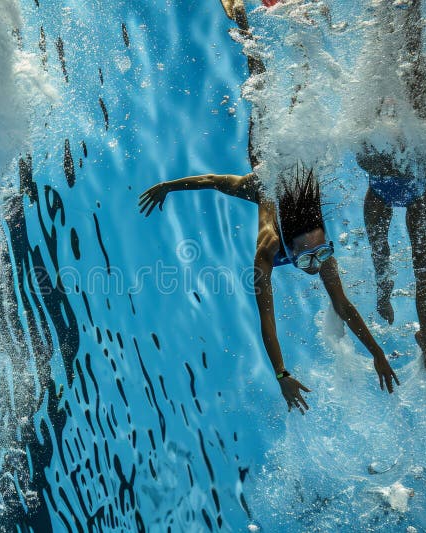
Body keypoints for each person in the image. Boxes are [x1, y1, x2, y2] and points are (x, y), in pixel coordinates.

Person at [139, 0, 399, 415]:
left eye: (317, 253)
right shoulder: (291, 243)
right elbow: (209, 181)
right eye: (316, 254)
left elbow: (326, 309)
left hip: (271, 155)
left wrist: (375, 352)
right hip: (283, 161)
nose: (318, 264)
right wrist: (167, 186)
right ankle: (272, 19)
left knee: (272, 88)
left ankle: (258, 19)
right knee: (282, 84)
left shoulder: (273, 249)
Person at [355, 0, 426, 371]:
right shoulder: (401, 201)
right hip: (393, 160)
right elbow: (418, 270)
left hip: (394, 161)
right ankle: (400, 11)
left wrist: (384, 297)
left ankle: (393, 12)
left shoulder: (376, 200)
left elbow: (381, 256)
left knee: (407, 69)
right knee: (410, 69)